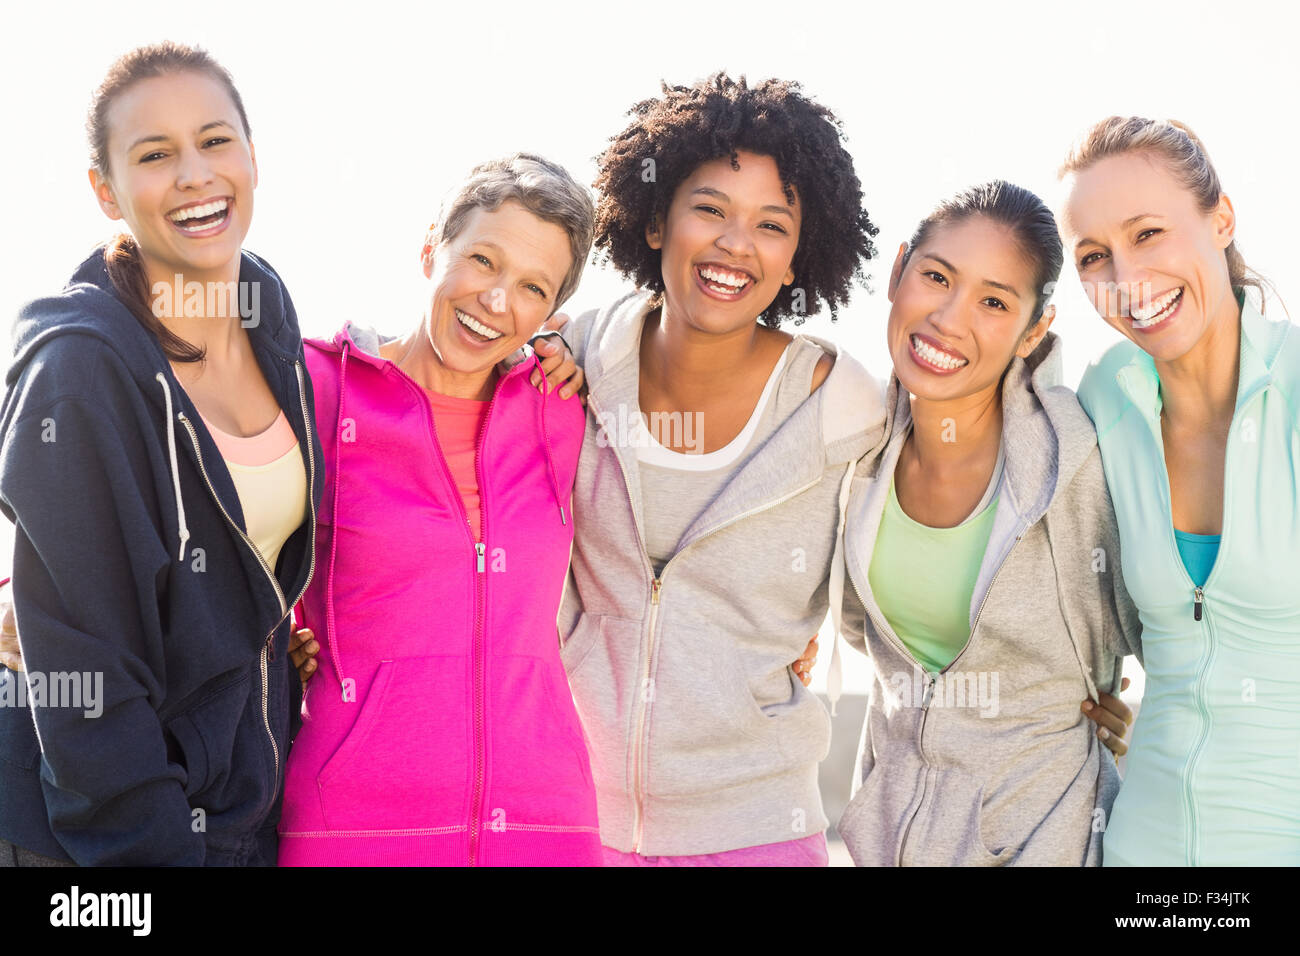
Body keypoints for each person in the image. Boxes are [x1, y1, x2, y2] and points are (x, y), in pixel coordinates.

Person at [0, 42, 320, 866]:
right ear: (106, 191)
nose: (193, 174)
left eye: (215, 141)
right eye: (154, 155)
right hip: (93, 842)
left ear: (253, 157)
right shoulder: (79, 373)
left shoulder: (275, 332)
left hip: (237, 817)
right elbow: (90, 682)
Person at [556, 74, 884, 865]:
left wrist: (1081, 678)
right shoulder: (569, 366)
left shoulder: (843, 409)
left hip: (760, 828)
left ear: (800, 255)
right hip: (568, 816)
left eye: (772, 225)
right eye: (710, 209)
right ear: (658, 219)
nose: (737, 245)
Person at [276, 154, 603, 866]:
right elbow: (183, 499)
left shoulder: (560, 409)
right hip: (355, 823)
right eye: (483, 260)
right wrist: (44, 594)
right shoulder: (317, 388)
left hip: (543, 826)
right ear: (432, 248)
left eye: (531, 288)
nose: (496, 300)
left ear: (551, 314)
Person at [835, 182, 1142, 866]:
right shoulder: (853, 447)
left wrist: (1113, 706)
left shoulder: (1079, 455)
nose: (949, 318)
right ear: (898, 270)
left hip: (1048, 840)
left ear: (1035, 330)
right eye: (937, 276)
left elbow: (1165, 624)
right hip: (893, 845)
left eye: (994, 302)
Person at [1061, 116, 1300, 866]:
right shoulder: (1105, 404)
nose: (1126, 278)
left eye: (1149, 234)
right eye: (1094, 256)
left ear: (1221, 219)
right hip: (1146, 853)